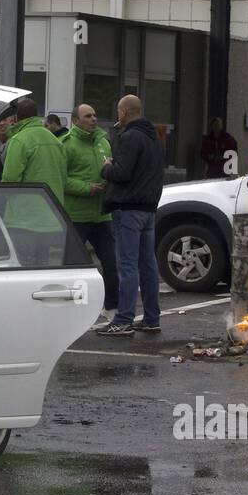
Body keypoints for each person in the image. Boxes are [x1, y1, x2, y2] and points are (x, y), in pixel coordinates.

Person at [97, 95, 165, 336]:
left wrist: (105, 166)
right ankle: (151, 318)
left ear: (124, 112)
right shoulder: (153, 136)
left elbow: (122, 172)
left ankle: (123, 319)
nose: (118, 115)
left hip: (128, 208)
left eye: (119, 111)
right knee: (147, 265)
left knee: (127, 265)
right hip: (148, 209)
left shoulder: (130, 136)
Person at [63, 103, 119, 324]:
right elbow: (62, 179)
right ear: (76, 121)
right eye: (88, 116)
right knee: (73, 266)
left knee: (112, 263)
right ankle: (71, 310)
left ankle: (112, 307)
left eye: (95, 115)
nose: (93, 119)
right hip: (77, 216)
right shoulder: (66, 145)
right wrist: (87, 188)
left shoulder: (103, 142)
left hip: (102, 215)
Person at [1, 98, 68, 265]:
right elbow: (63, 178)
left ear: (17, 118)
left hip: (23, 219)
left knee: (23, 268)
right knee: (42, 267)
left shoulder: (20, 140)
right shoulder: (56, 141)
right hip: (51, 218)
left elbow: (9, 180)